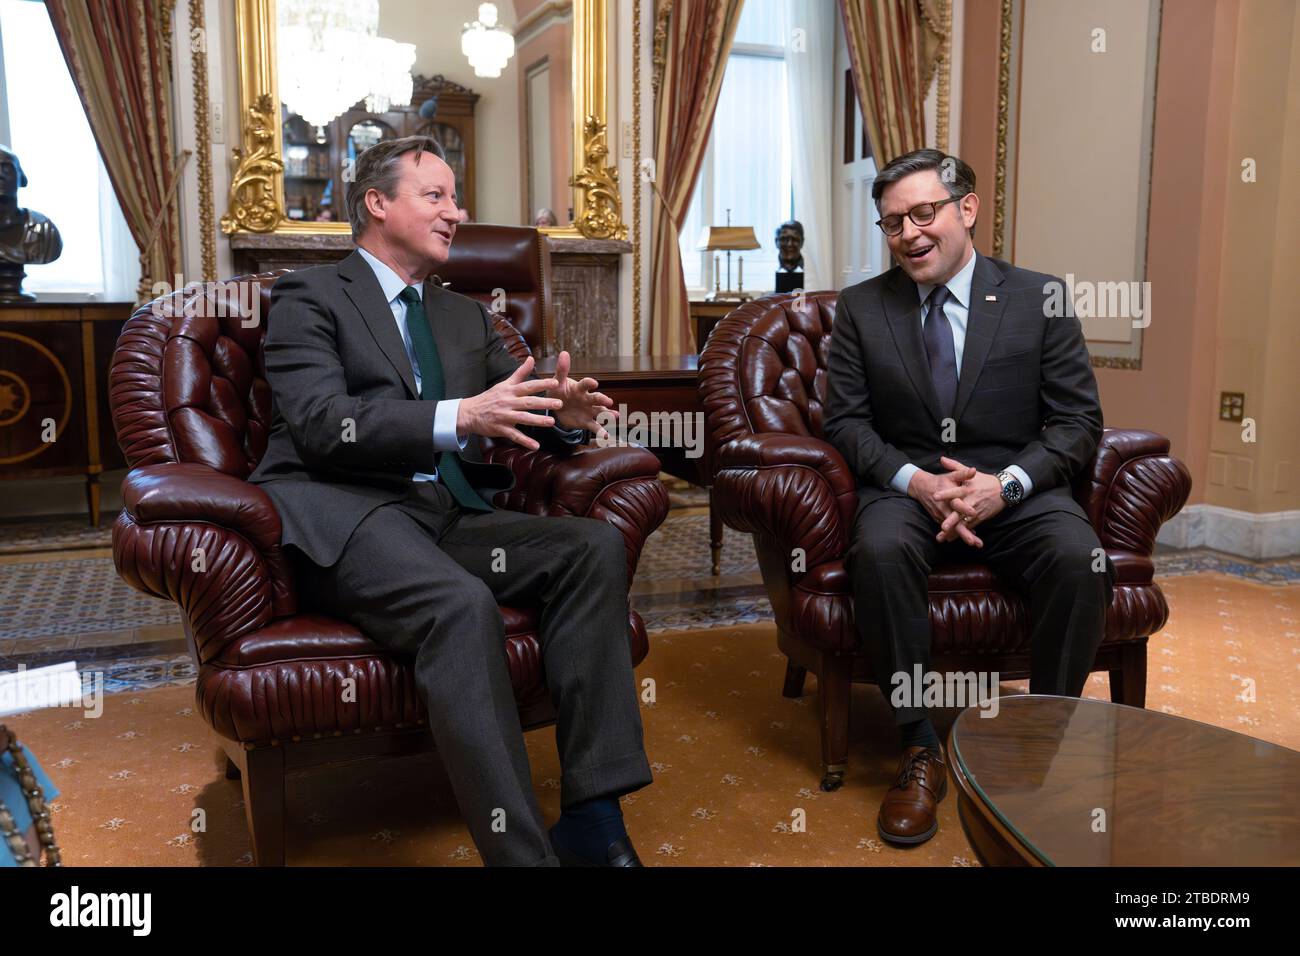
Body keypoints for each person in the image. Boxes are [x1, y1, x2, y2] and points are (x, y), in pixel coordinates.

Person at [249, 135, 652, 867]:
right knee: (460, 605)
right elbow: (316, 423)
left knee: (590, 547)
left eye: (455, 198)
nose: (456, 212)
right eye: (435, 195)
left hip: (446, 515)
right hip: (346, 514)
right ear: (377, 203)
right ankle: (522, 858)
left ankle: (594, 815)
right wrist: (456, 417)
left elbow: (521, 403)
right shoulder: (310, 295)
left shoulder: (463, 317)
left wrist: (563, 415)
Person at [824, 148, 1113, 846]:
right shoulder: (863, 308)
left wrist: (1005, 485)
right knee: (882, 551)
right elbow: (846, 423)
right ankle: (918, 743)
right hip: (908, 482)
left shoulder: (1037, 295)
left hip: (1012, 484)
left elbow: (1077, 422)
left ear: (967, 210)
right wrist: (916, 482)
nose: (910, 235)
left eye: (924, 214)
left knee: (1080, 557)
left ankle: (1039, 743)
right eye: (892, 223)